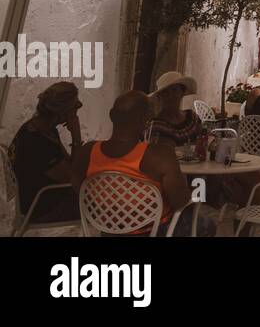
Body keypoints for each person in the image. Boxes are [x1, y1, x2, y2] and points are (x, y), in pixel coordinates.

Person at [72, 90, 205, 235]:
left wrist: (105, 208)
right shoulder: (161, 154)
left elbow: (77, 184)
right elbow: (179, 201)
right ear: (145, 121)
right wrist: (193, 191)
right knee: (206, 225)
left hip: (107, 230)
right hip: (152, 231)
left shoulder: (87, 151)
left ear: (111, 115)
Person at [8, 81, 83, 225]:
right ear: (64, 111)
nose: (78, 109)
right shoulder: (38, 143)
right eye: (76, 105)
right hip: (42, 208)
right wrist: (76, 136)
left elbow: (70, 165)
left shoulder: (40, 128)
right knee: (101, 207)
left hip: (39, 199)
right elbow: (73, 179)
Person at [147, 70, 205, 149]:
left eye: (174, 90)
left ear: (182, 92)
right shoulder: (156, 125)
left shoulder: (193, 118)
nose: (170, 96)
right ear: (159, 97)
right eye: (165, 92)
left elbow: (203, 143)